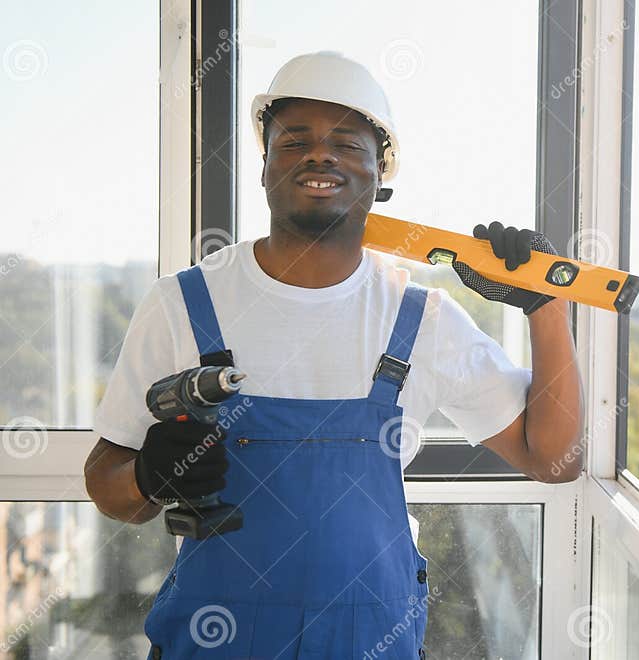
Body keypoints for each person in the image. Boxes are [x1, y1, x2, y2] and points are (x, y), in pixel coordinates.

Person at [83, 51, 583, 659]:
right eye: (294, 142)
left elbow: (554, 460)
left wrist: (545, 305)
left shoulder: (420, 320)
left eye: (347, 145)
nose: (320, 155)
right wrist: (144, 475)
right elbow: (109, 487)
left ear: (381, 176)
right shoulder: (182, 304)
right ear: (264, 167)